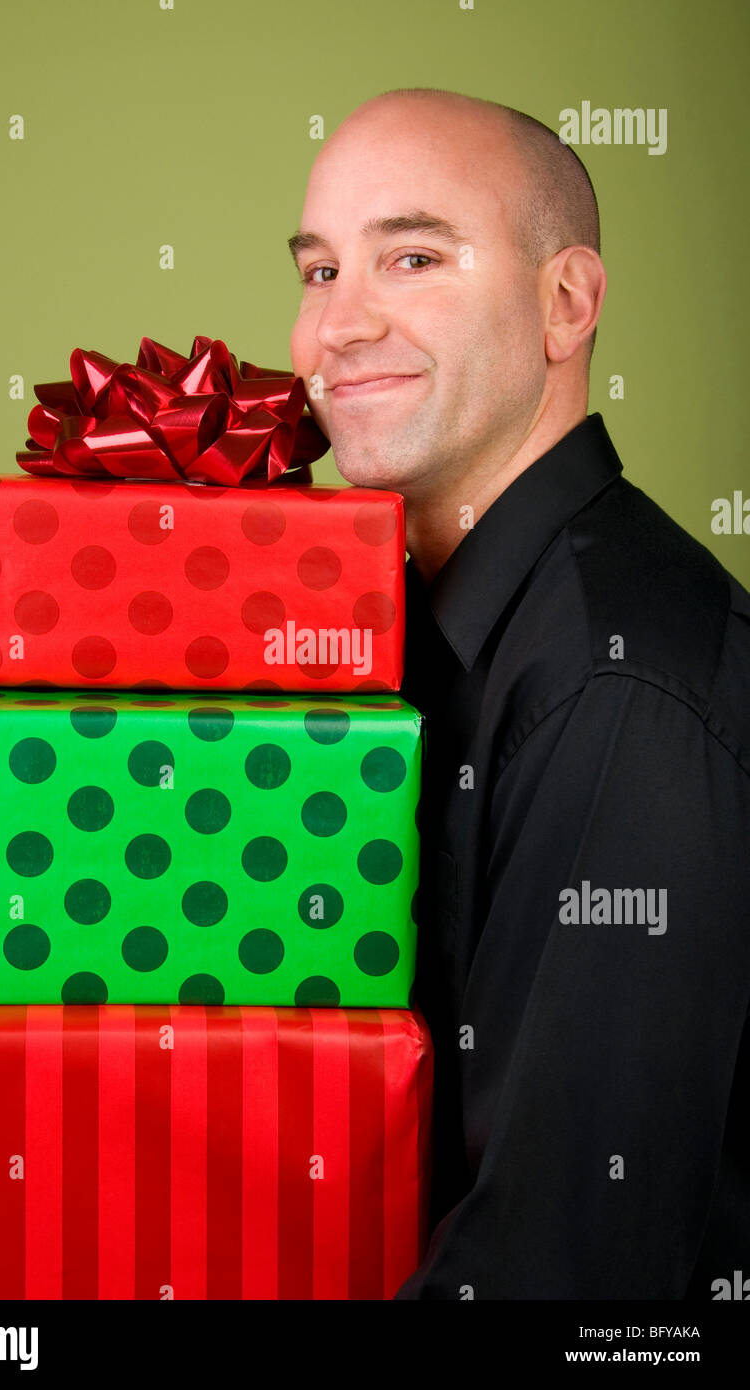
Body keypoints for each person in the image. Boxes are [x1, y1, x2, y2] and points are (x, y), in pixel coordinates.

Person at [288, 87, 750, 1300]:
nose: (339, 325)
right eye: (320, 270)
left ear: (565, 303)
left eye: (413, 256)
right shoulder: (397, 640)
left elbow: (562, 1275)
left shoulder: (621, 690)